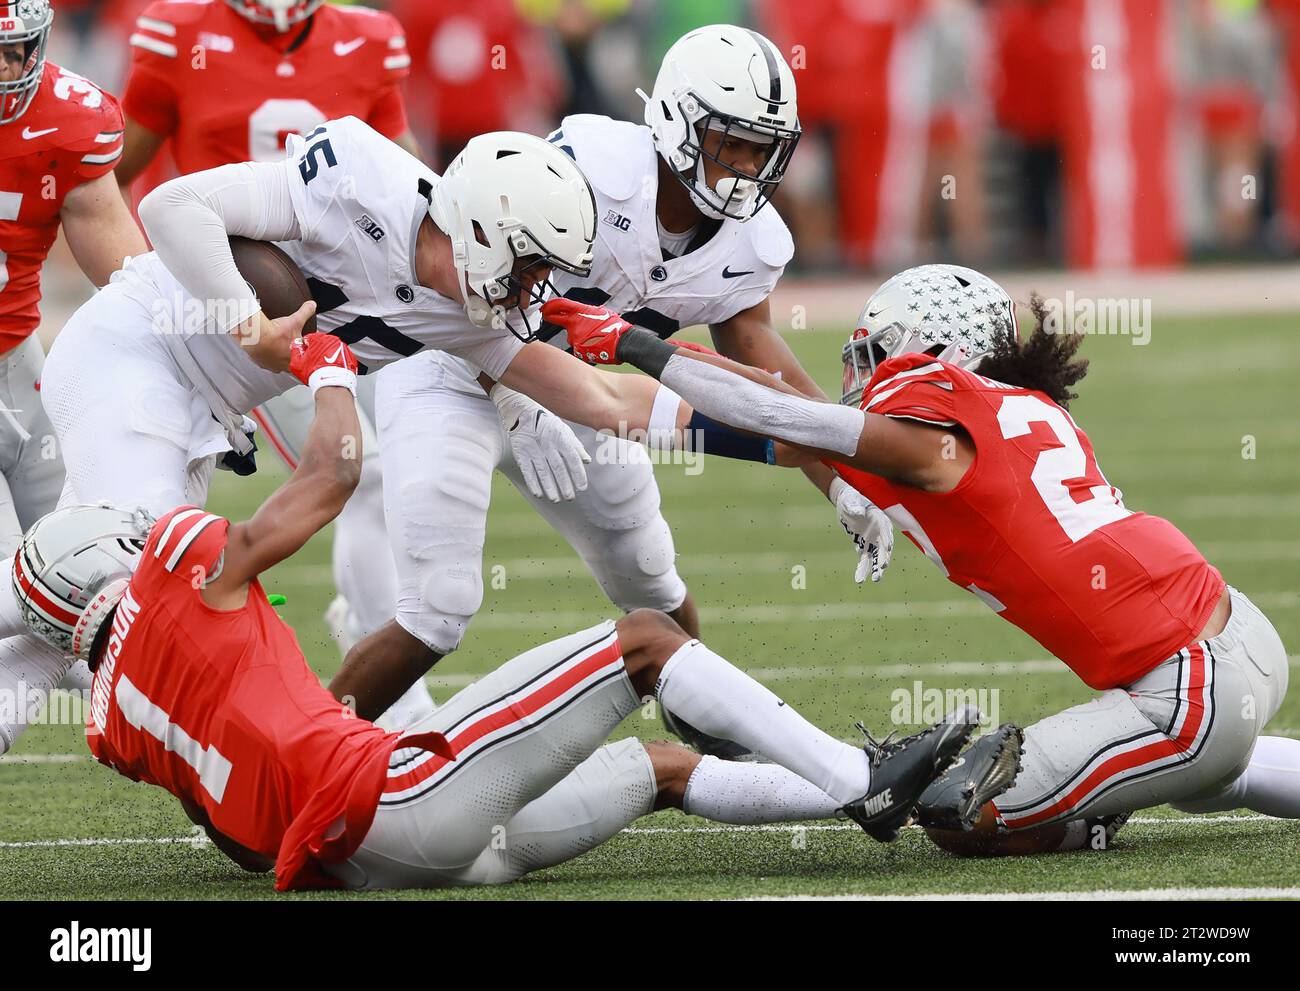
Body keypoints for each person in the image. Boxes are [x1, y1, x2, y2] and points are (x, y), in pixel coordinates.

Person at [11, 332, 987, 889]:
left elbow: (233, 836)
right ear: (105, 562)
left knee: (659, 768)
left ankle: (929, 796)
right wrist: (329, 371)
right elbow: (329, 477)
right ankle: (861, 780)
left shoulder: (107, 722)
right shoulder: (178, 567)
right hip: (395, 803)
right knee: (647, 641)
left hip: (373, 860)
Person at [549, 262, 1300, 845]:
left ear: (938, 350)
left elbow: (782, 412)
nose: (863, 375)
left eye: (879, 353)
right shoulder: (1018, 412)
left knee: (958, 810)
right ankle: (1118, 789)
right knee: (1210, 777)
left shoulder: (936, 411)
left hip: (1187, 695)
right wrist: (511, 357)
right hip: (1238, 638)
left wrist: (633, 342)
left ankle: (1088, 823)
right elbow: (685, 416)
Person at [334, 24, 896, 757]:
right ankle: (305, 746)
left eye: (764, 150)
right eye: (733, 143)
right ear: (677, 121)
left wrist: (841, 478)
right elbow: (467, 270)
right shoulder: (594, 167)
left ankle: (723, 747)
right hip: (453, 369)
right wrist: (509, 392)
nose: (748, 169)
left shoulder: (750, 244)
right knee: (438, 607)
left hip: (579, 393)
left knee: (651, 577)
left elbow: (760, 370)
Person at [116, 0, 425, 725]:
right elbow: (110, 178)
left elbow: (411, 183)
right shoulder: (179, 32)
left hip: (352, 306)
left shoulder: (370, 39)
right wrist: (146, 293)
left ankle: (366, 623)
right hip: (240, 310)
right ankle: (399, 699)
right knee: (366, 472)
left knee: (397, 471)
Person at [0, 0, 148, 752]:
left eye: (15, 51)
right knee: (17, 586)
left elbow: (128, 275)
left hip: (22, 368)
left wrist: (191, 365)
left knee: (82, 560)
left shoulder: (69, 119)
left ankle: (148, 706)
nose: (4, 70)